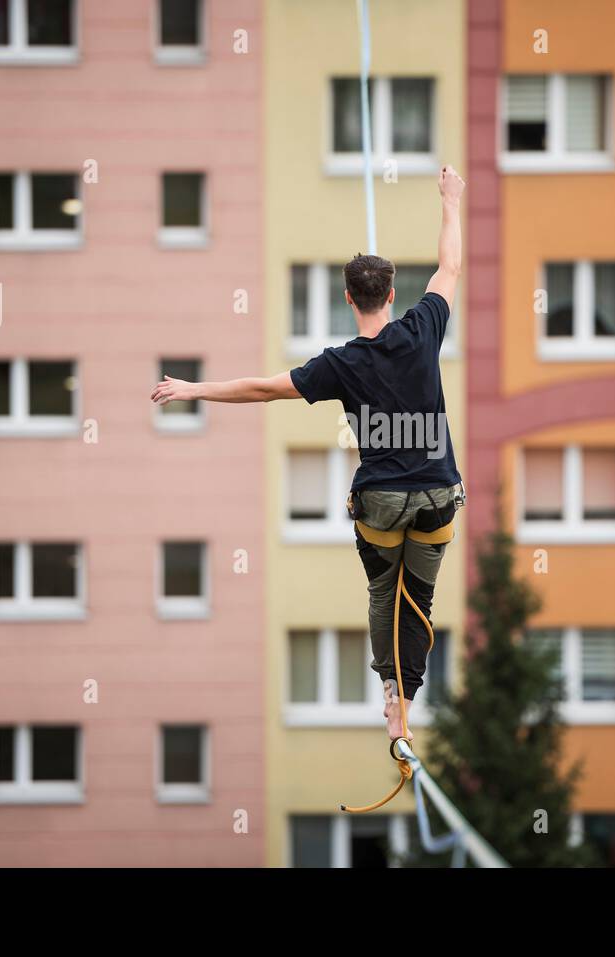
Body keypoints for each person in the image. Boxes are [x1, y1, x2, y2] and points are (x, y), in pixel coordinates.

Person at [151, 165, 467, 741]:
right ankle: (407, 704)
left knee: (382, 593)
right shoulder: (423, 328)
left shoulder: (338, 363)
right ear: (393, 296)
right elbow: (449, 265)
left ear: (349, 298)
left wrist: (194, 390)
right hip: (437, 494)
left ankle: (391, 700)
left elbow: (264, 389)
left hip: (381, 503)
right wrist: (450, 199)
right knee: (417, 596)